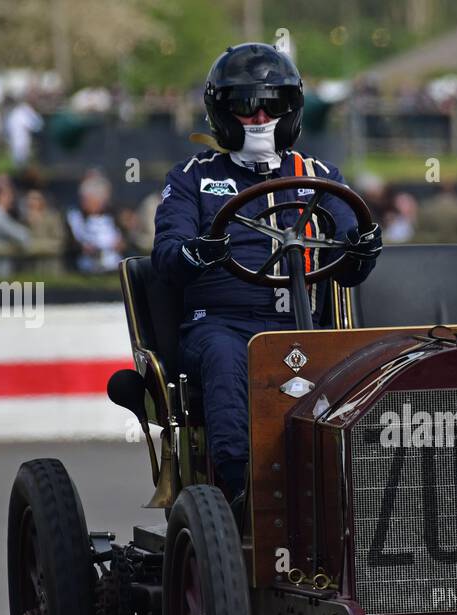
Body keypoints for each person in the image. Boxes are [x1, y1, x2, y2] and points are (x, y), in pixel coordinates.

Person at [152, 42, 382, 504]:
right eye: (244, 106)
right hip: (219, 325)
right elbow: (167, 258)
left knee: (367, 359)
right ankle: (240, 490)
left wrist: (364, 250)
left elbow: (353, 266)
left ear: (290, 109)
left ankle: (360, 487)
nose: (258, 118)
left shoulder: (319, 174)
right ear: (222, 113)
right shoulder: (192, 178)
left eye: (270, 105)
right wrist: (200, 252)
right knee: (225, 354)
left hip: (303, 324)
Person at [67, 173, 124, 273]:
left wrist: (120, 244)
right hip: (84, 265)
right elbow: (72, 242)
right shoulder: (74, 216)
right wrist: (83, 248)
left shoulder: (113, 215)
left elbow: (123, 239)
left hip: (113, 264)